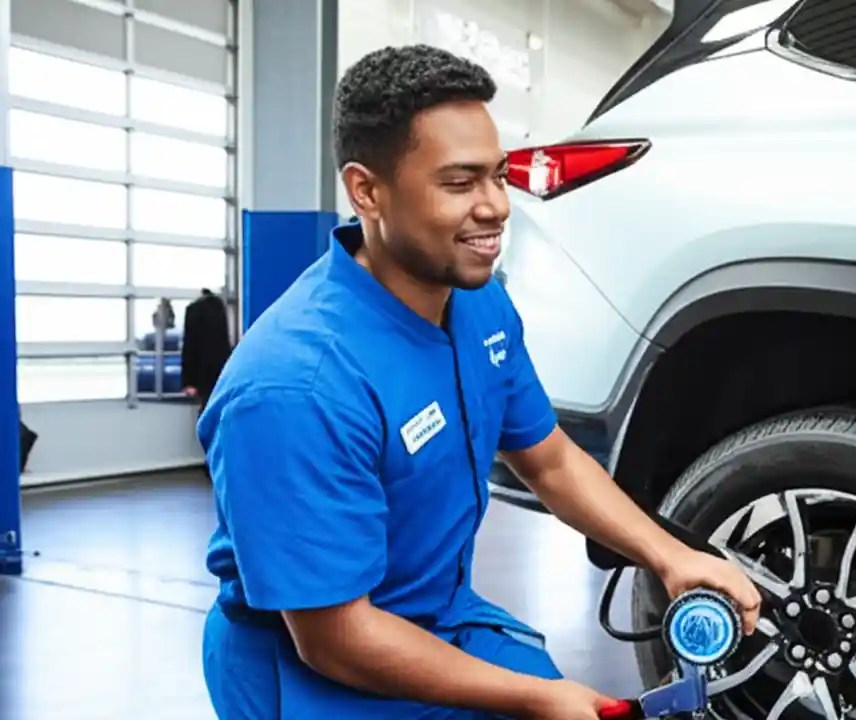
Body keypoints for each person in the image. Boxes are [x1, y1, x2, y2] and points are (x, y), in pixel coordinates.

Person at [197, 44, 761, 720]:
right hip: (314, 658)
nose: (496, 206)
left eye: (498, 175)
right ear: (366, 191)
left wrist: (669, 557)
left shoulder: (478, 303)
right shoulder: (294, 390)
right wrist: (535, 698)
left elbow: (548, 459)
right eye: (460, 183)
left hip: (436, 610)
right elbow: (334, 638)